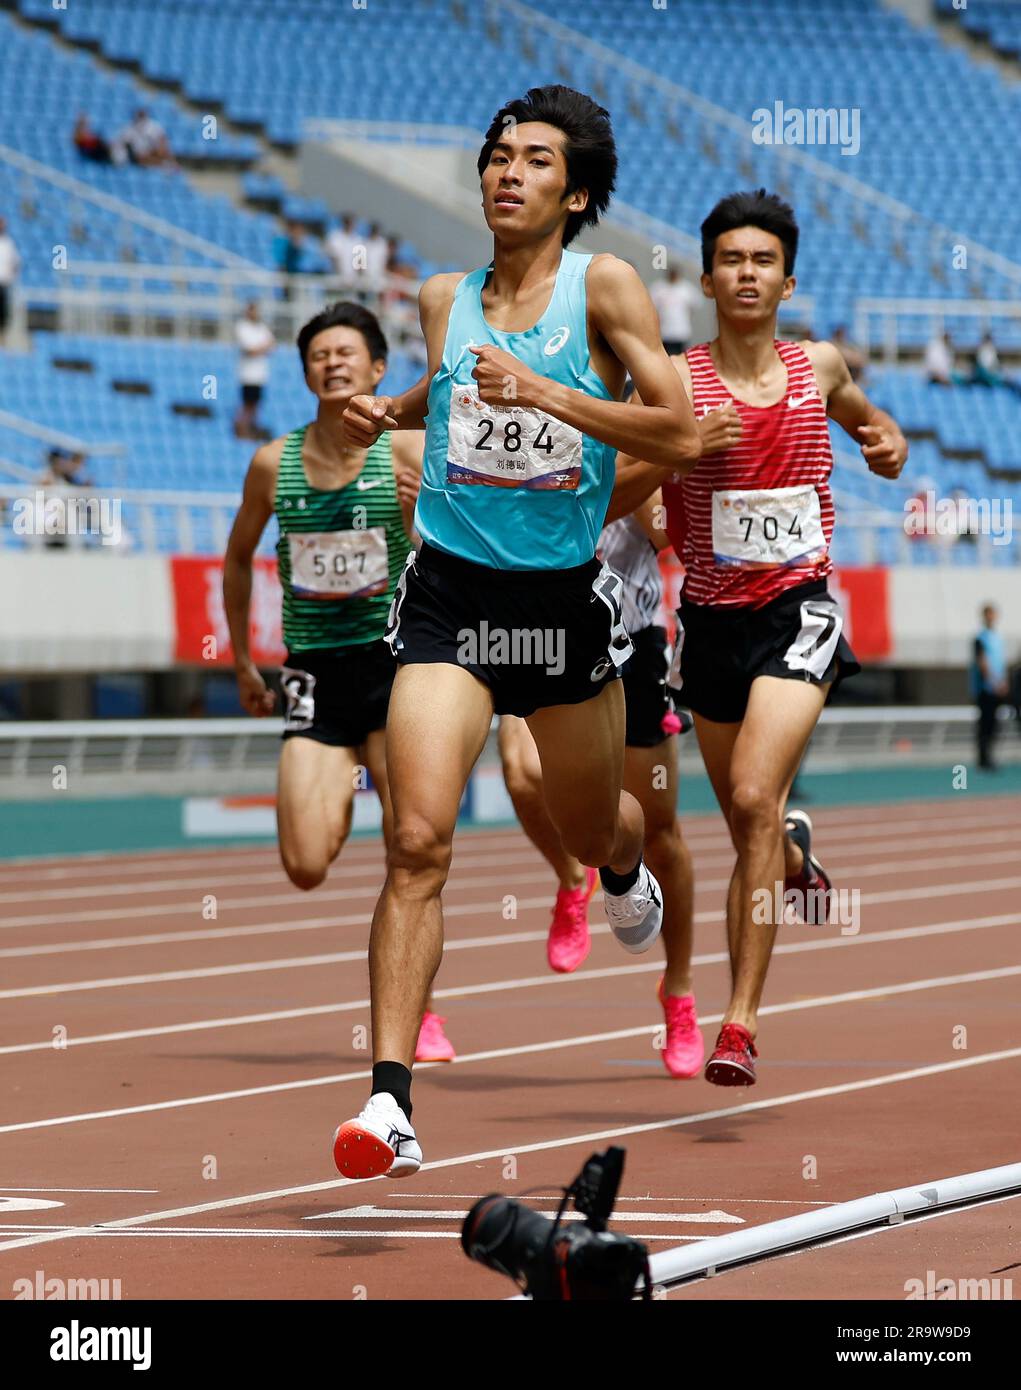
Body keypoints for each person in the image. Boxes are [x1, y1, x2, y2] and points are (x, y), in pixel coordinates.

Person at [331, 84, 701, 1180]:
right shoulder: (446, 295)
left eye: (535, 160)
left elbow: (676, 427)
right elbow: (450, 396)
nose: (507, 172)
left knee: (596, 831)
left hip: (558, 609)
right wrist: (387, 413)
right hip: (449, 596)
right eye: (497, 154)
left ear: (574, 190)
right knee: (415, 843)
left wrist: (547, 389)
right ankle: (389, 1102)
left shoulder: (606, 286)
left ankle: (625, 875)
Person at [610, 188, 908, 1087]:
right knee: (752, 817)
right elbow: (614, 499)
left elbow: (868, 421)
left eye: (761, 261)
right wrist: (676, 454)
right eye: (730, 260)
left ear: (785, 279)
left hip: (798, 610)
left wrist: (883, 442)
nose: (745, 274)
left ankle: (737, 1024)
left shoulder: (816, 364)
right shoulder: (670, 378)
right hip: (708, 623)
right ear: (705, 277)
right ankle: (788, 852)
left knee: (746, 798)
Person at [222, 300, 454, 1064]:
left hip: (398, 668)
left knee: (412, 849)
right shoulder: (272, 462)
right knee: (305, 864)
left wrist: (425, 521)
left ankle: (418, 1011)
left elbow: (470, 524)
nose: (332, 363)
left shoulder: (408, 451)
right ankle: (347, 776)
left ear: (378, 369)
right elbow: (235, 558)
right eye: (318, 355)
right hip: (314, 675)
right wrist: (243, 663)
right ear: (305, 373)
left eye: (346, 352)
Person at [499, 490, 702, 1077]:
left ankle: (680, 994)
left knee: (659, 833)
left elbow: (666, 535)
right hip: (536, 633)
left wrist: (610, 478)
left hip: (631, 639)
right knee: (522, 771)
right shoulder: (524, 403)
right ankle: (573, 876)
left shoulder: (641, 414)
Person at [972, 603, 1008, 771]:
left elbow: (999, 663)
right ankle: (983, 759)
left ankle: (989, 757)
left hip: (997, 687)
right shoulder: (980, 638)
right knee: (985, 724)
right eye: (989, 614)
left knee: (994, 724)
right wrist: (995, 682)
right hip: (985, 689)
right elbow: (983, 663)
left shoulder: (997, 638)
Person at [233, 302, 276, 440]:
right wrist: (262, 349)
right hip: (247, 375)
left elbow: (272, 345)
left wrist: (259, 349)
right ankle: (241, 430)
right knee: (247, 405)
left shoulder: (261, 327)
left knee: (256, 404)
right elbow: (249, 350)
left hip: (259, 375)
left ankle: (251, 429)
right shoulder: (242, 327)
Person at [650, 265, 699, 356]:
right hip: (664, 332)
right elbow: (652, 307)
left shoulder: (686, 288)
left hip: (681, 332)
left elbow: (693, 306)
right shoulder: (659, 288)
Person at [0, 216, 20, 347]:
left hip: (4, 283)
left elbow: (16, 262)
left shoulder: (8, 243)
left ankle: (2, 339)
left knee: (3, 313)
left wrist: (11, 276)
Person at [325, 214, 359, 290]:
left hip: (352, 282)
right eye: (348, 222)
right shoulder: (335, 237)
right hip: (337, 280)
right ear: (343, 223)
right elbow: (333, 259)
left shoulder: (358, 240)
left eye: (352, 223)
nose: (350, 225)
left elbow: (359, 264)